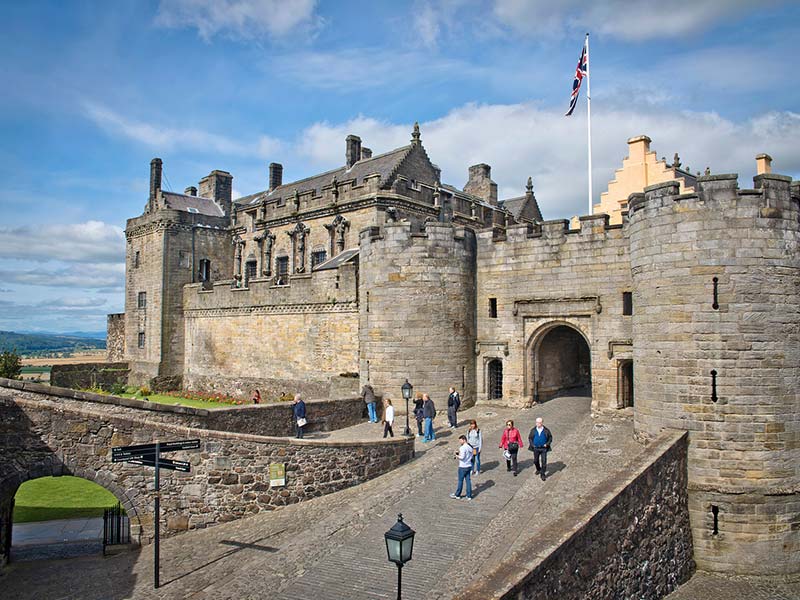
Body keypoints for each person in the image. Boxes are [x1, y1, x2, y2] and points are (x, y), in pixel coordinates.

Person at [449, 435, 473, 500]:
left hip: (463, 466)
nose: (460, 442)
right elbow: (471, 454)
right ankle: (469, 495)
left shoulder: (462, 448)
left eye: (460, 440)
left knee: (460, 481)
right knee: (468, 481)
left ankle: (457, 494)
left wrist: (457, 456)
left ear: (464, 440)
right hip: (469, 465)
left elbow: (462, 457)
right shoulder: (469, 447)